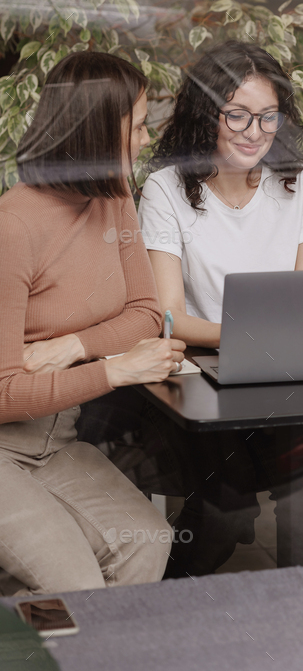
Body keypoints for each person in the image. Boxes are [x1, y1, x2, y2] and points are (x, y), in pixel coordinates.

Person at [137, 40, 303, 576]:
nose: (255, 131)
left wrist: (277, 345)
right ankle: (161, 601)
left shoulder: (299, 181)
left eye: (269, 116)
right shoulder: (166, 189)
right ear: (207, 114)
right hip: (200, 376)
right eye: (238, 115)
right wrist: (253, 339)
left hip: (282, 374)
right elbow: (169, 318)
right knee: (226, 509)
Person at [0, 51, 186, 596]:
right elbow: (3, 393)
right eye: (140, 126)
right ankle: (39, 636)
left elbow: (147, 313)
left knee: (147, 540)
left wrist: (72, 345)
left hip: (56, 442)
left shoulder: (112, 195)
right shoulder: (13, 228)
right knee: (75, 585)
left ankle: (80, 639)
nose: (147, 139)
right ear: (99, 131)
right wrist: (113, 371)